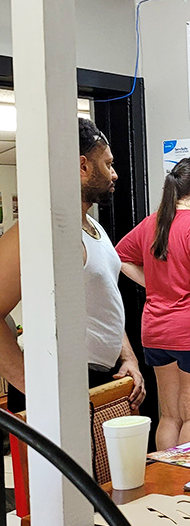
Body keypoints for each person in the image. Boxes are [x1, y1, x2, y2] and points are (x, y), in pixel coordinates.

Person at [0, 119, 145, 412]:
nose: (115, 174)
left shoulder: (94, 228)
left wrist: (128, 357)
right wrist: (32, 385)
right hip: (55, 378)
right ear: (83, 166)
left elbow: (105, 304)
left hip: (99, 378)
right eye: (108, 164)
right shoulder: (38, 229)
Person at [116, 157, 190, 448]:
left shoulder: (152, 223)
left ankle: (166, 488)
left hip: (158, 331)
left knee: (169, 416)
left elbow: (118, 256)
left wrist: (154, 283)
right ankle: (186, 485)